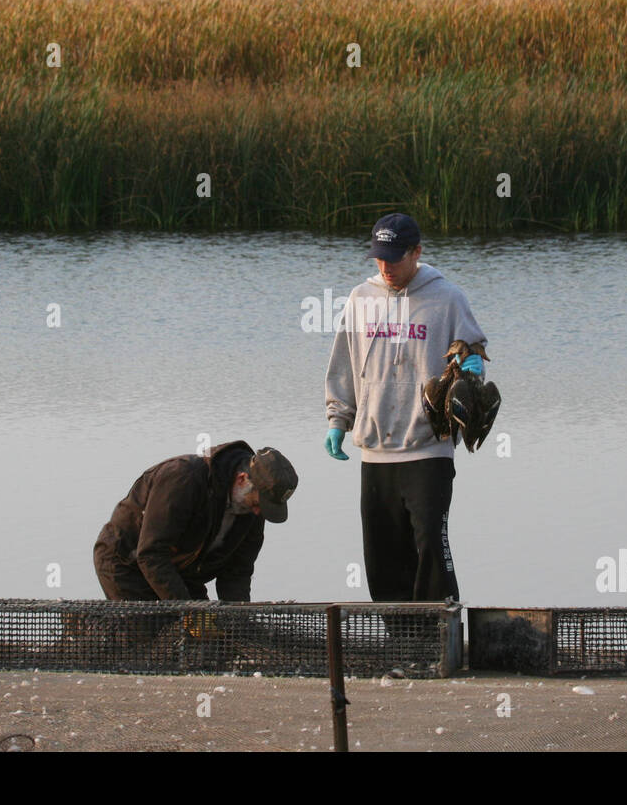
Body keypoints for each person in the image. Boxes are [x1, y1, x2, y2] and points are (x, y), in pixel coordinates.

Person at [323, 213, 488, 602]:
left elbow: (472, 348)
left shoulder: (447, 298)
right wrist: (338, 419)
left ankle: (440, 634)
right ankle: (403, 644)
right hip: (375, 447)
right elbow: (344, 363)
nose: (386, 267)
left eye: (395, 258)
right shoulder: (360, 299)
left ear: (417, 252)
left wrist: (472, 362)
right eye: (380, 258)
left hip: (428, 445)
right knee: (382, 555)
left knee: (431, 543)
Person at [93, 440, 297, 602]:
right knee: (145, 636)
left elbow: (238, 572)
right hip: (127, 562)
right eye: (258, 503)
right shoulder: (183, 479)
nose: (258, 512)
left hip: (183, 569)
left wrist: (239, 621)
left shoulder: (252, 510)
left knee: (212, 639)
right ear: (242, 479)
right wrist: (189, 611)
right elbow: (151, 554)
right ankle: (84, 630)